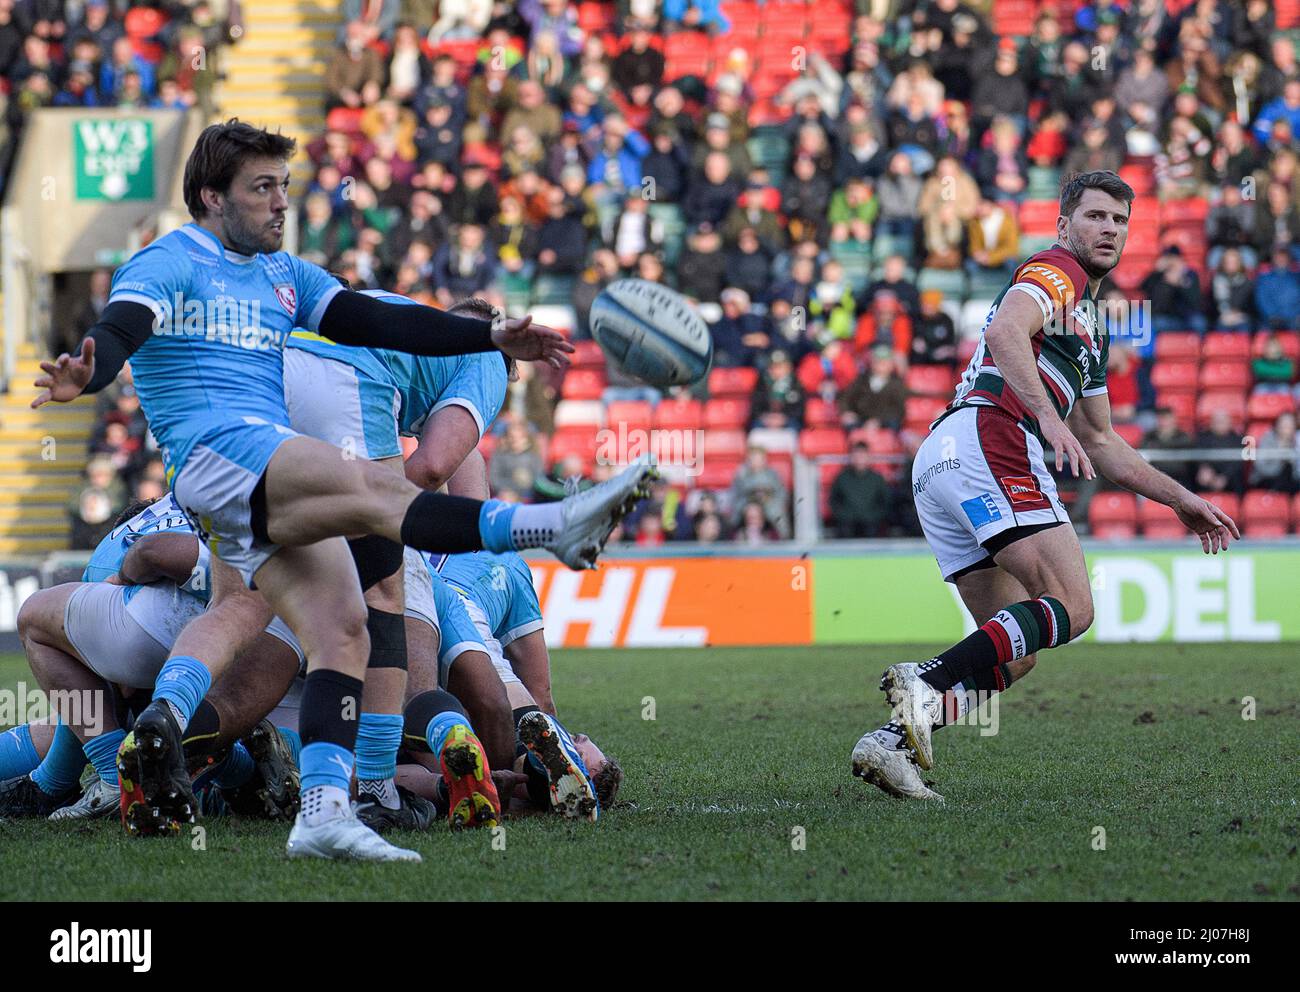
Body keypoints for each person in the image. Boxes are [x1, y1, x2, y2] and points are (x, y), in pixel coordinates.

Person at [33, 120, 654, 862]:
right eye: (262, 188)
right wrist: (89, 373)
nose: (279, 203)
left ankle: (324, 813)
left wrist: (486, 337)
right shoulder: (170, 261)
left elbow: (374, 317)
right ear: (210, 196)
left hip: (256, 473)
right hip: (219, 456)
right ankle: (551, 524)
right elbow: (122, 327)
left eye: (284, 187)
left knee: (343, 629)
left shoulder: (283, 274)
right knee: (371, 490)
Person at [852, 171, 1237, 801]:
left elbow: (1105, 444)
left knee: (1013, 654)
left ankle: (891, 742)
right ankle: (922, 683)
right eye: (1095, 216)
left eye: (1119, 220)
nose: (1108, 229)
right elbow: (1005, 333)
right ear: (1065, 226)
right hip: (991, 435)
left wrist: (1182, 500)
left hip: (945, 457)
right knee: (1075, 607)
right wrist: (1049, 419)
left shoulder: (1089, 329)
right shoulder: (1059, 270)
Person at [829, 443, 891, 538]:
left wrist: (874, 516)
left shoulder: (877, 478)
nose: (859, 459)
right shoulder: (842, 478)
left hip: (871, 523)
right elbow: (834, 501)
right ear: (851, 457)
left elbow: (885, 502)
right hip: (847, 523)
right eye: (856, 456)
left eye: (862, 455)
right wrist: (843, 515)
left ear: (869, 457)